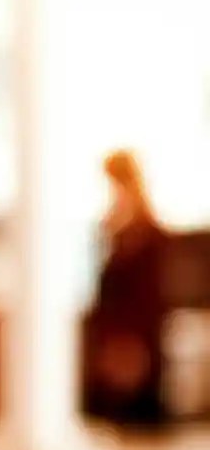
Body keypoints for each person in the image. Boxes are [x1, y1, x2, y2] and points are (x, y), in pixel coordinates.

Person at [84, 150, 171, 426]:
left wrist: (129, 348)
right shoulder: (115, 233)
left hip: (134, 352)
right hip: (111, 346)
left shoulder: (149, 237)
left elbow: (149, 300)